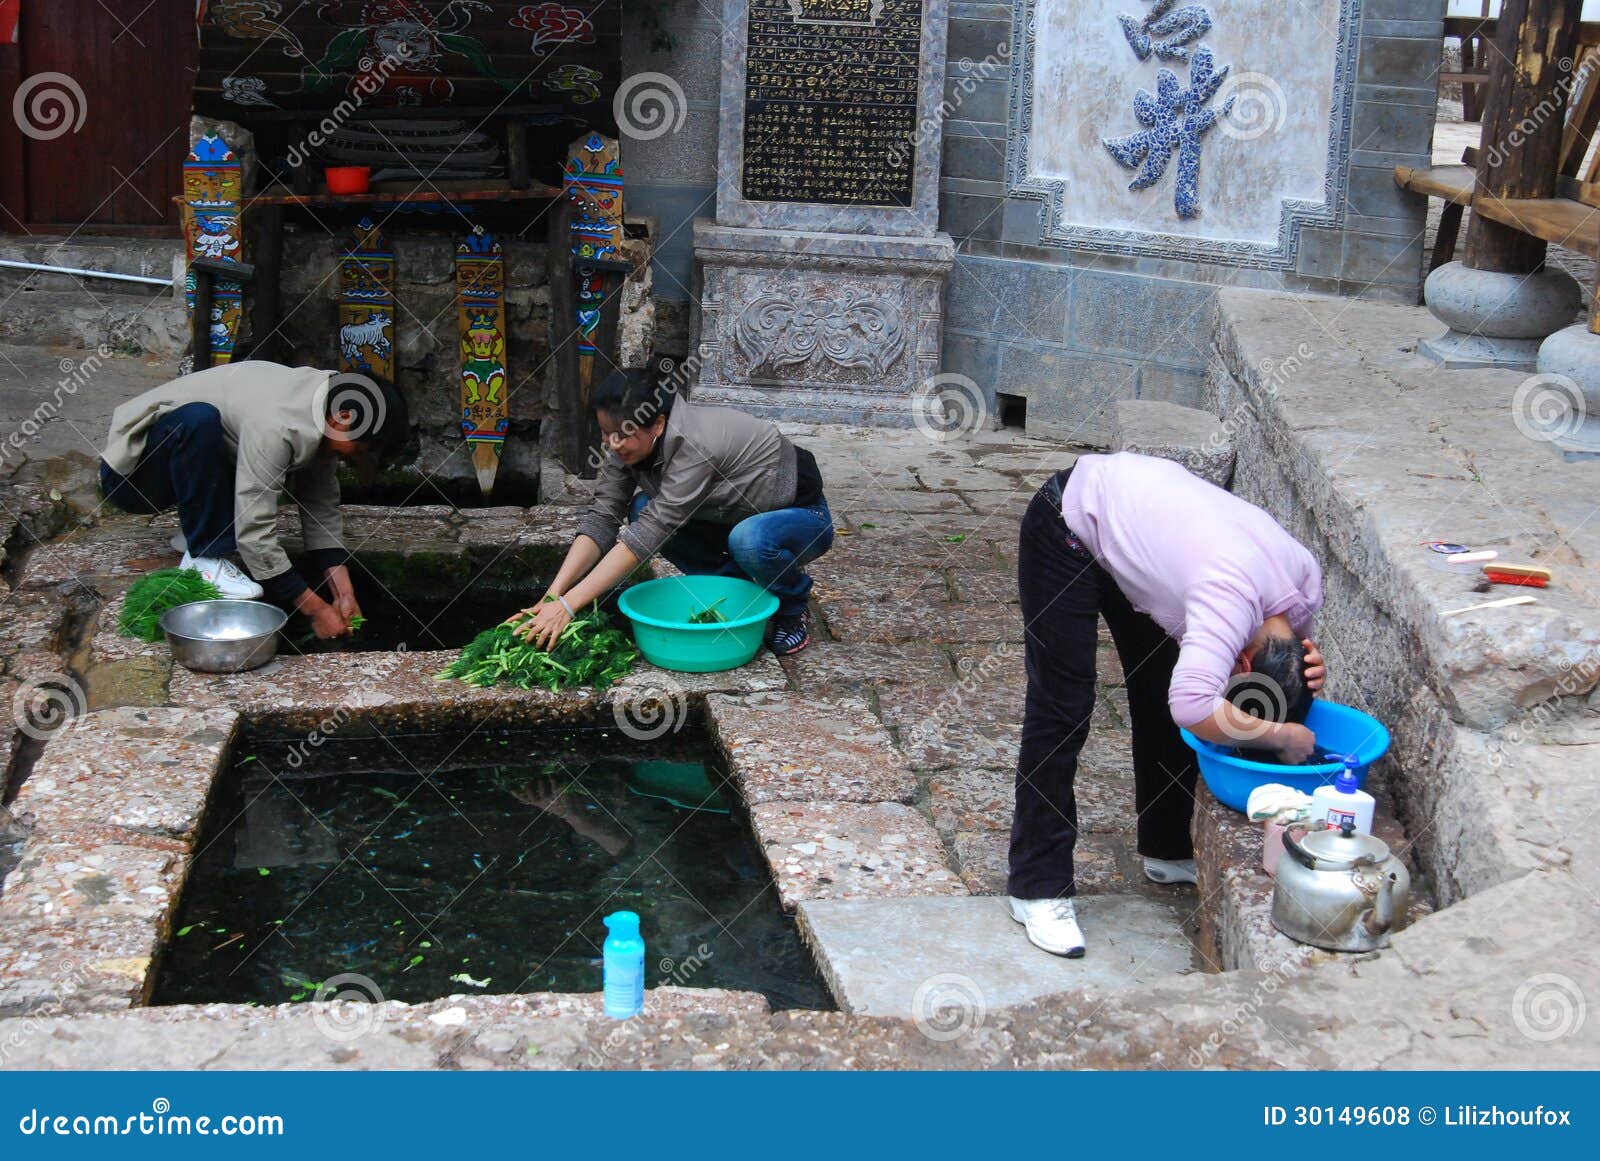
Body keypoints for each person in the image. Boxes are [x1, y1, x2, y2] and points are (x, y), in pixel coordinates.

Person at [1009, 452, 1326, 958]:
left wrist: (1310, 668)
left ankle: (1168, 847)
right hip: (1070, 519)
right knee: (1062, 706)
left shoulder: (1304, 584)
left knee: (1161, 684)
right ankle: (1036, 887)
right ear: (1242, 662)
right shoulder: (1224, 601)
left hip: (1143, 531)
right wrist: (1280, 736)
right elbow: (1193, 707)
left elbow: (1288, 652)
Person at [516, 369, 833, 656]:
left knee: (748, 541)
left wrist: (569, 606)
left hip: (801, 516)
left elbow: (648, 535)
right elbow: (602, 518)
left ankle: (792, 608)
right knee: (641, 508)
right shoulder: (624, 442)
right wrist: (553, 596)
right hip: (732, 512)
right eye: (605, 432)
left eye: (622, 435)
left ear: (658, 424)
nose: (612, 444)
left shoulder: (695, 446)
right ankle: (744, 593)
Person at [98, 362, 406, 639]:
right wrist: (315, 609)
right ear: (344, 418)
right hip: (133, 479)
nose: (357, 457)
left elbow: (320, 506)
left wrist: (343, 592)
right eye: (361, 449)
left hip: (174, 469)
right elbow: (255, 533)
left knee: (236, 452)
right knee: (199, 421)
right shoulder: (278, 424)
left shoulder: (324, 408)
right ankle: (206, 557)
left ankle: (198, 533)